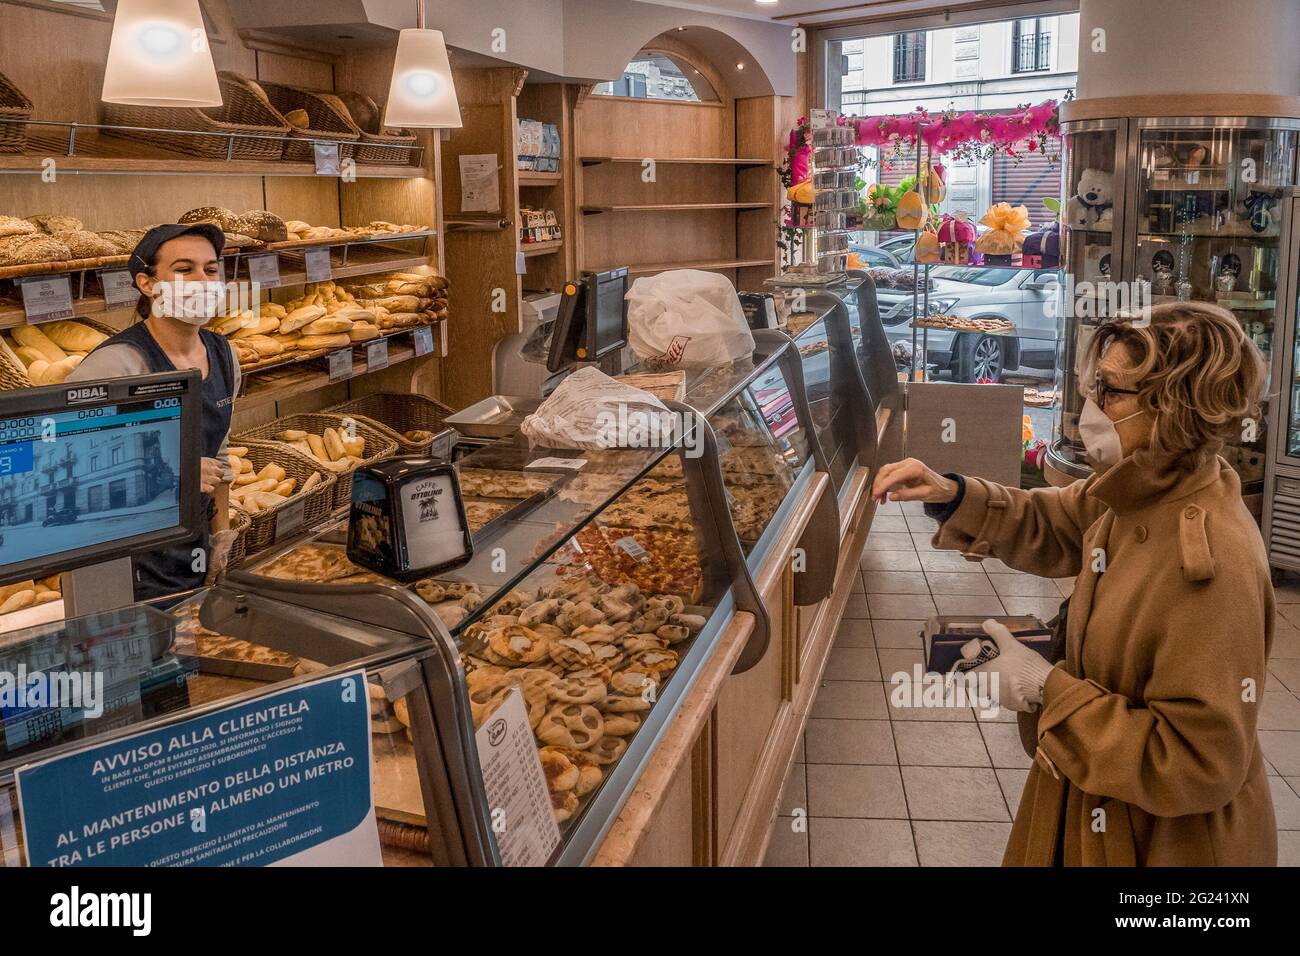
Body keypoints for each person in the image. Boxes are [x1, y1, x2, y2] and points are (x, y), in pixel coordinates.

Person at [873, 301, 1277, 866]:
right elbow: (1056, 521)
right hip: (1099, 805)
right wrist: (950, 494)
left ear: (1174, 406)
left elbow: (1196, 762)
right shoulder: (1147, 488)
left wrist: (1047, 690)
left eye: (1110, 392)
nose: (1090, 408)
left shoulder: (1210, 563)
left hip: (1163, 848)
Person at [67, 224, 239, 600]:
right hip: (126, 559)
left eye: (211, 270)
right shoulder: (117, 365)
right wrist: (171, 475)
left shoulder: (224, 354)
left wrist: (220, 537)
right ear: (147, 284)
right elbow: (66, 468)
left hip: (190, 545)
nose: (202, 282)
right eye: (183, 270)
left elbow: (218, 456)